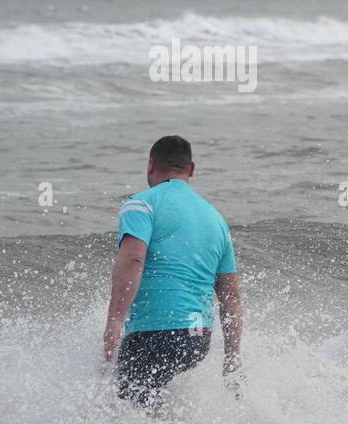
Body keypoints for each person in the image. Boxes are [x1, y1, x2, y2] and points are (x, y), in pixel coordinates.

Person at [103, 136, 243, 406]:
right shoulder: (216, 219)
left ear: (151, 164)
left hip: (155, 332)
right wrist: (232, 356)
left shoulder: (141, 204)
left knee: (129, 411)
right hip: (197, 336)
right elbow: (231, 296)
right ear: (191, 169)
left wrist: (115, 321)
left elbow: (133, 260)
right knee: (150, 408)